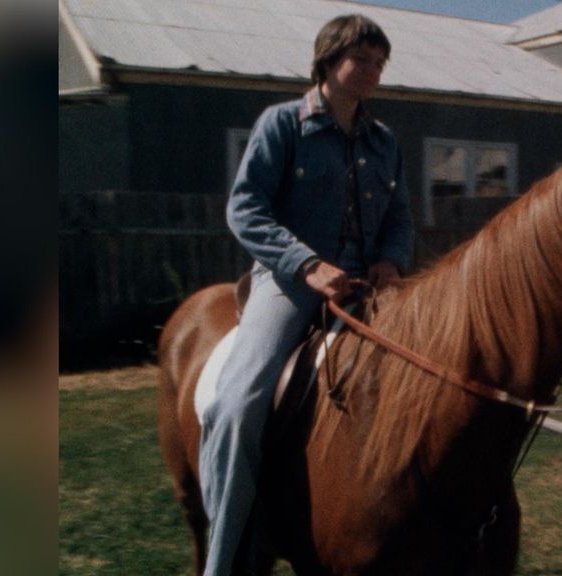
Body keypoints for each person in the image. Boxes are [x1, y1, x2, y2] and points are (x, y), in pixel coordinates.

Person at [198, 14, 414, 576]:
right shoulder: (282, 125)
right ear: (328, 59)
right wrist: (307, 265)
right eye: (361, 59)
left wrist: (391, 260)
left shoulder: (383, 141)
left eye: (379, 63)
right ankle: (227, 556)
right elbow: (246, 209)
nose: (371, 72)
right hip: (289, 282)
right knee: (238, 404)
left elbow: (400, 216)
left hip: (370, 285)